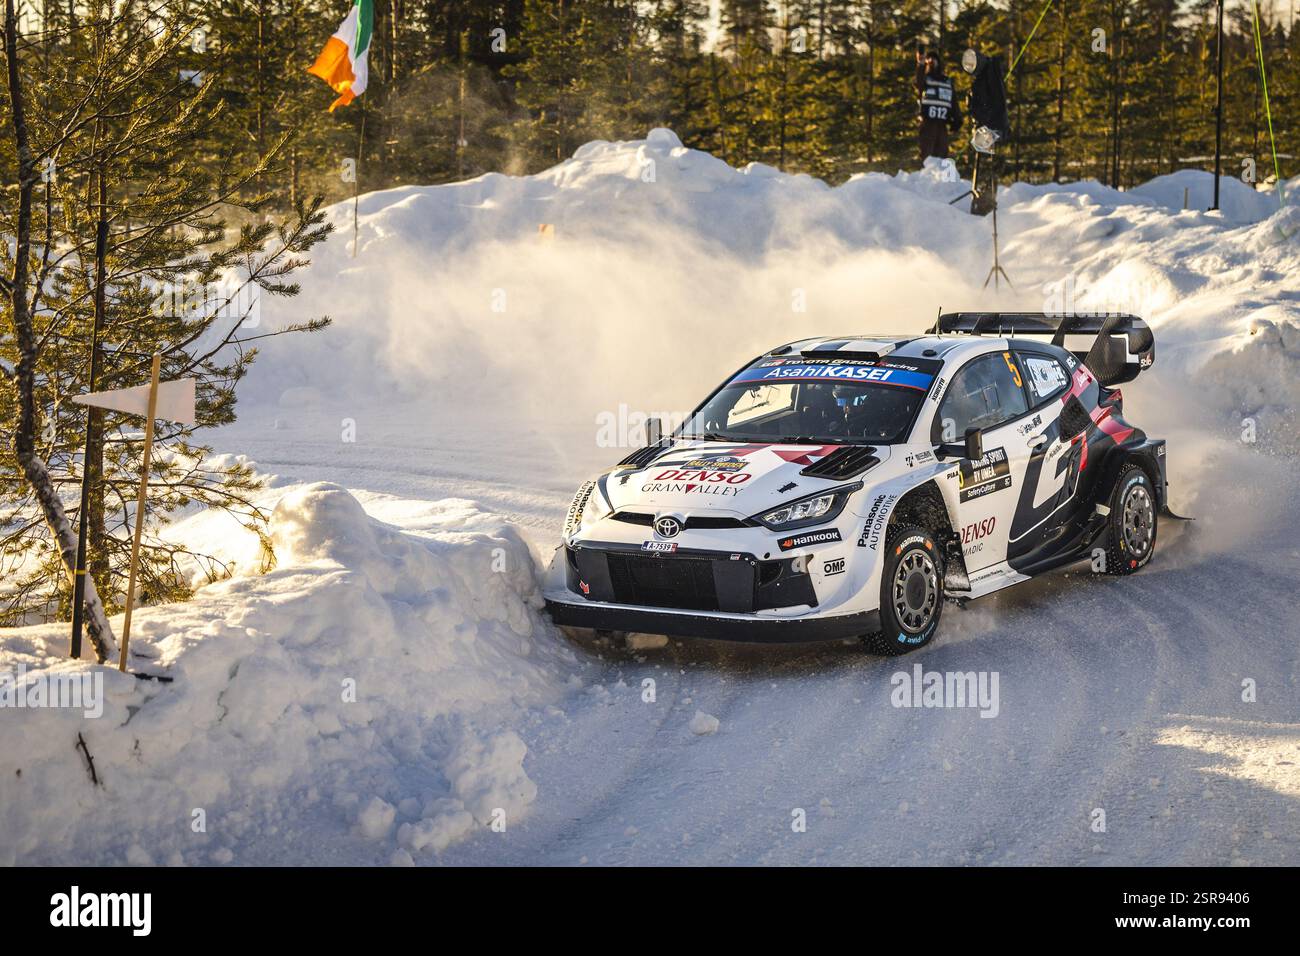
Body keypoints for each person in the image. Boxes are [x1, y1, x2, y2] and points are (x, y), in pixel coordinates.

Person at [915, 47, 962, 163]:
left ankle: (940, 179)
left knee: (942, 155)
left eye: (934, 59)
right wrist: (920, 63)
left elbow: (953, 101)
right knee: (927, 156)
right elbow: (918, 80)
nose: (931, 61)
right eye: (929, 59)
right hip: (927, 123)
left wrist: (957, 119)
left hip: (942, 124)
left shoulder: (947, 81)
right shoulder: (925, 80)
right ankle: (926, 177)